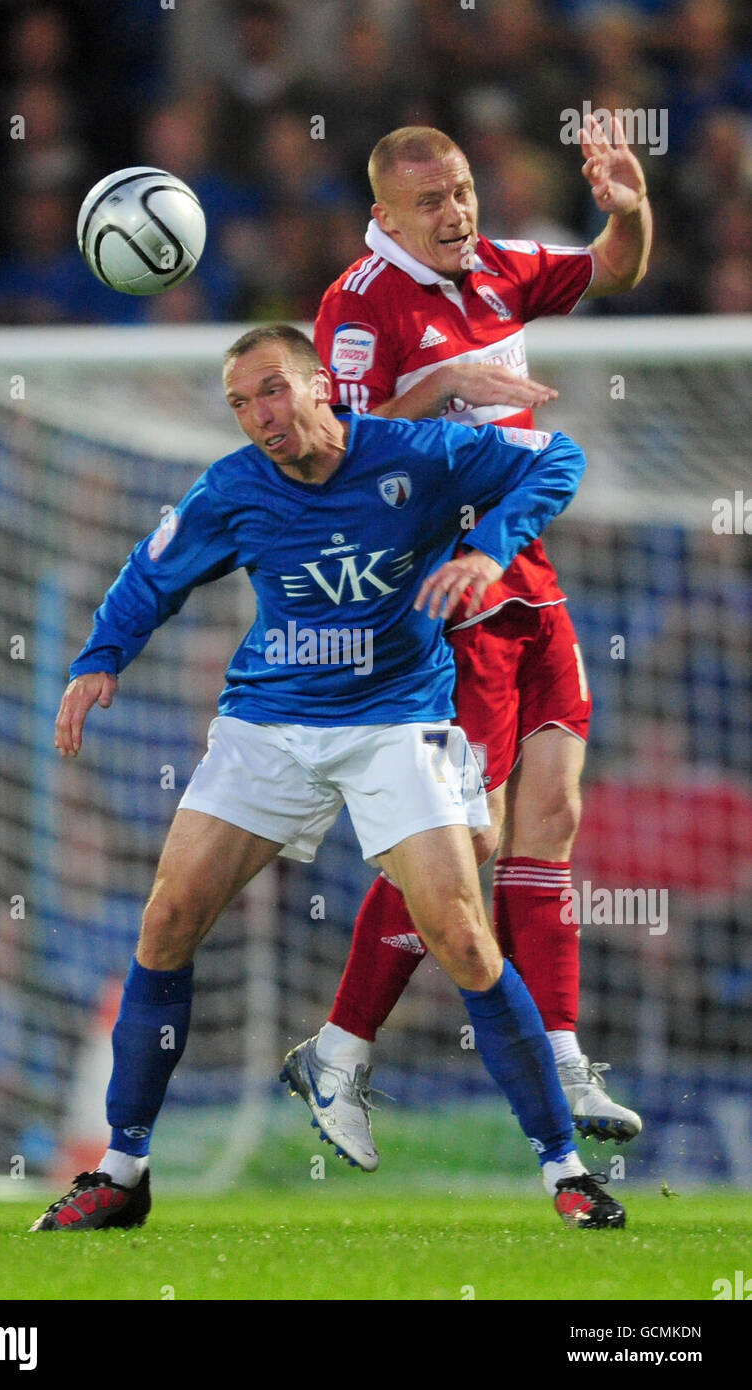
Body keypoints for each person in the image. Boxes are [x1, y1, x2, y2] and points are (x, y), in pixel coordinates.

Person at [31, 324, 623, 1232]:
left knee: (464, 933)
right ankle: (121, 1171)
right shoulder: (233, 488)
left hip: (398, 722)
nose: (260, 417)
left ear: (320, 384)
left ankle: (565, 1170)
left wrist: (488, 547)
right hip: (269, 724)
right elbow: (152, 576)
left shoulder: (418, 451)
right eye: (240, 403)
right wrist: (100, 657)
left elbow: (559, 455)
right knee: (167, 921)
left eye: (272, 391)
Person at [281, 119, 652, 1169]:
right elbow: (340, 457)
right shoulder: (356, 305)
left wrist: (624, 205)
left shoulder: (496, 268)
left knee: (555, 809)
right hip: (442, 598)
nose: (455, 214)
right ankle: (342, 1048)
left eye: (460, 191)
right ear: (384, 216)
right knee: (465, 845)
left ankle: (568, 1054)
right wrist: (444, 391)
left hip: (521, 569)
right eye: (430, 202)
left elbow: (612, 269)